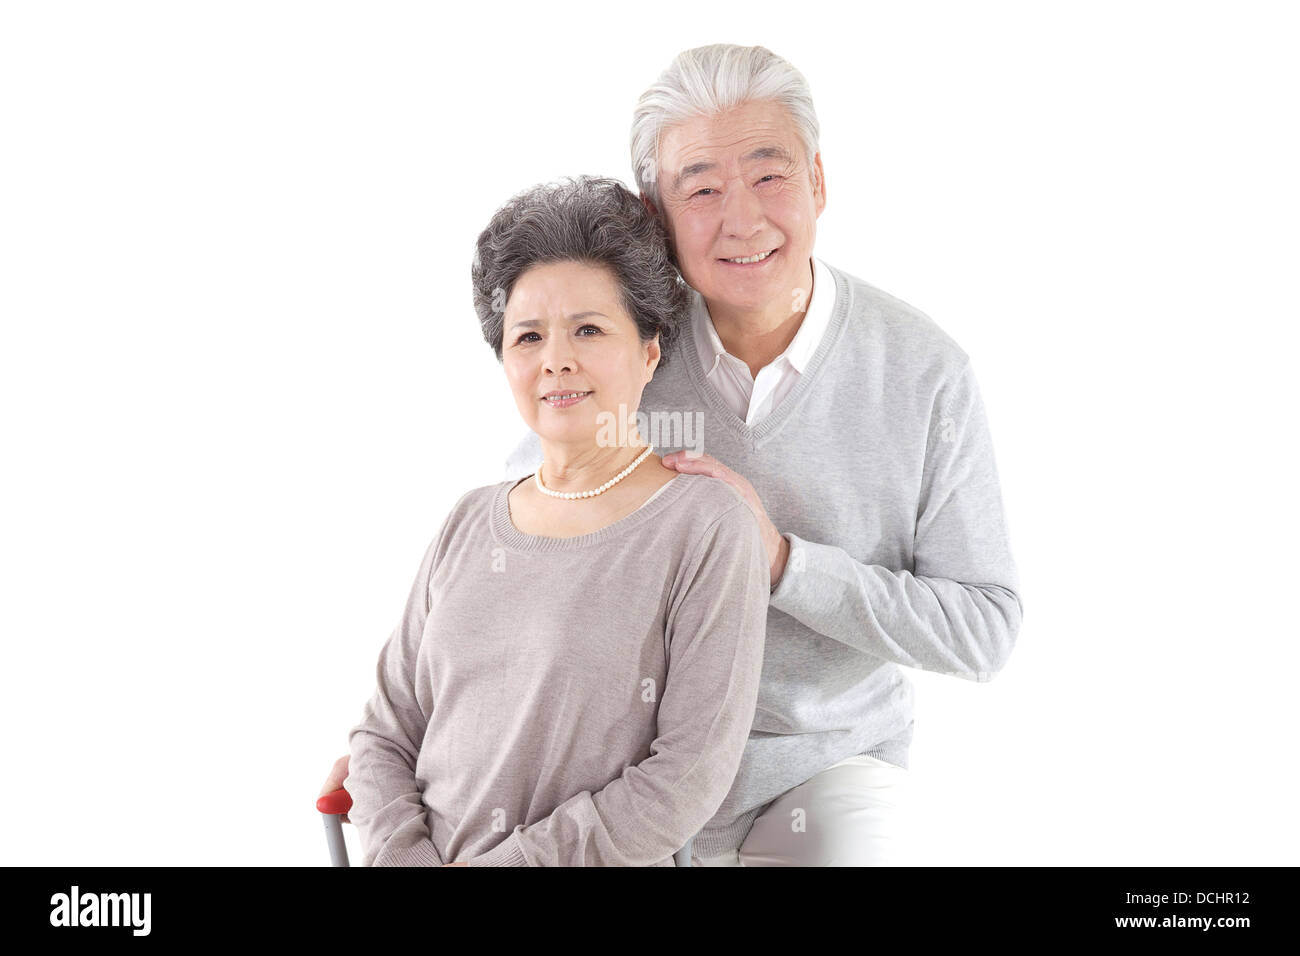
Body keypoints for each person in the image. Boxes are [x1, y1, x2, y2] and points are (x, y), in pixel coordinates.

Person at [325, 42, 1023, 866]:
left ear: (819, 183)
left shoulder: (922, 373)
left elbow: (984, 629)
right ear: (656, 212)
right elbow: (523, 536)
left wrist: (786, 564)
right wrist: (406, 766)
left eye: (770, 176)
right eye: (702, 189)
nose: (743, 219)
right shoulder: (616, 344)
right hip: (612, 761)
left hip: (815, 767)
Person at [342, 175, 770, 866]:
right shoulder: (469, 520)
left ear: (650, 350)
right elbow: (384, 734)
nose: (556, 361)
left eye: (589, 330)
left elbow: (689, 776)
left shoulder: (704, 526)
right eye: (529, 336)